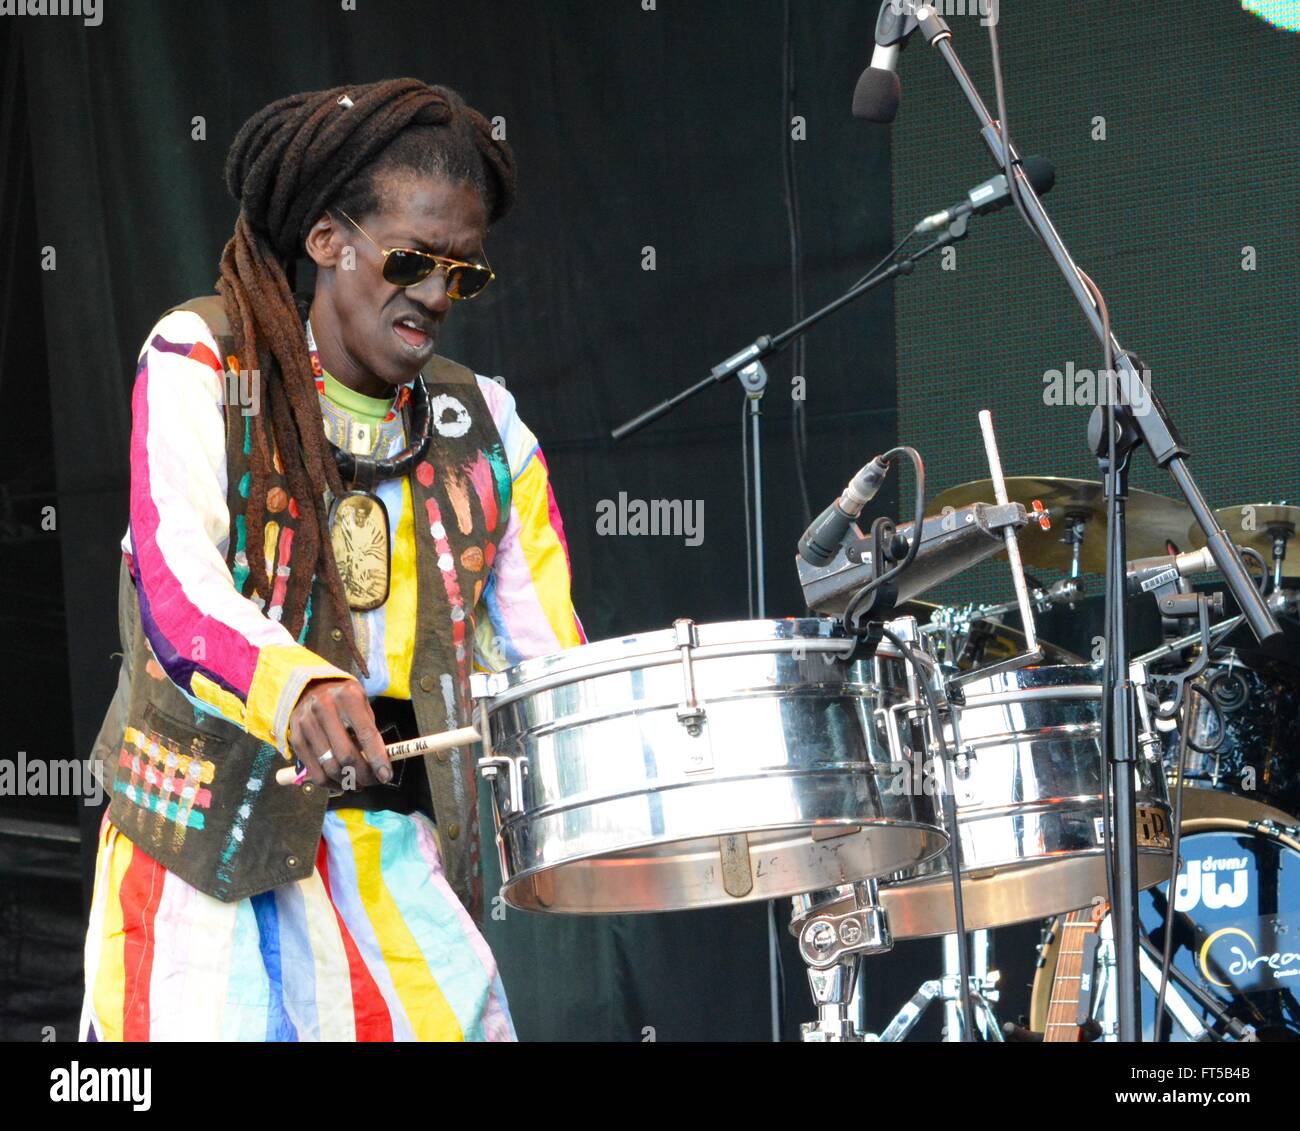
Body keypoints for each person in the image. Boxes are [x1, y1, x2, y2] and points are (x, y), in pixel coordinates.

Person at [80, 78, 585, 1042]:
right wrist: (296, 685)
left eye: (463, 273)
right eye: (412, 260)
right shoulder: (202, 360)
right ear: (327, 240)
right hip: (201, 882)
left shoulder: (488, 427)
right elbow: (175, 582)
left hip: (400, 881)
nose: (436, 295)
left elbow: (548, 665)